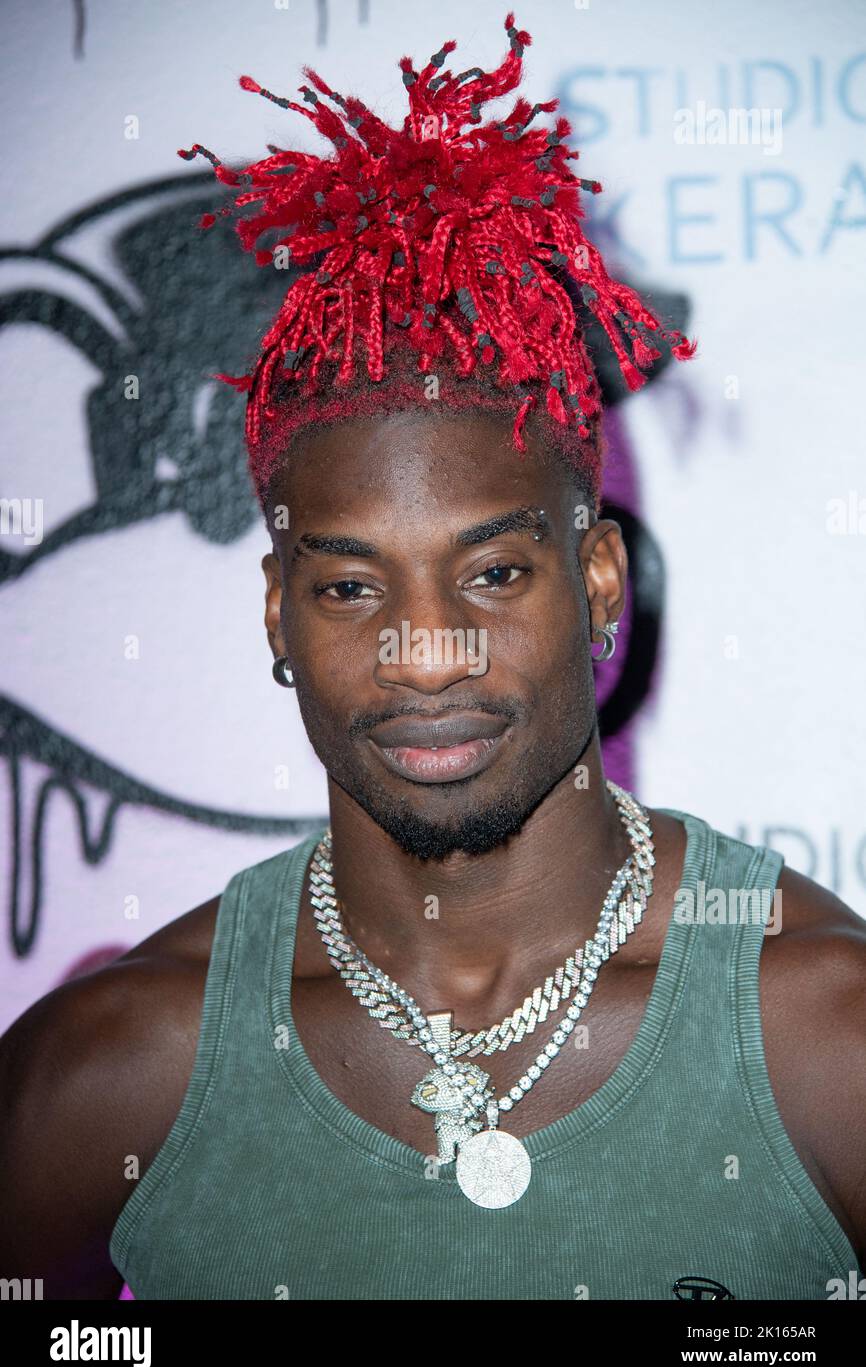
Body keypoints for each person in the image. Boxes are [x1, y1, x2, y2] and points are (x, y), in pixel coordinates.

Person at [1, 14, 864, 1301]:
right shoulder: (112, 1068)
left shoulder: (821, 1036)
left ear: (598, 582)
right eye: (349, 585)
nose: (422, 652)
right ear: (276, 618)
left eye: (493, 573)